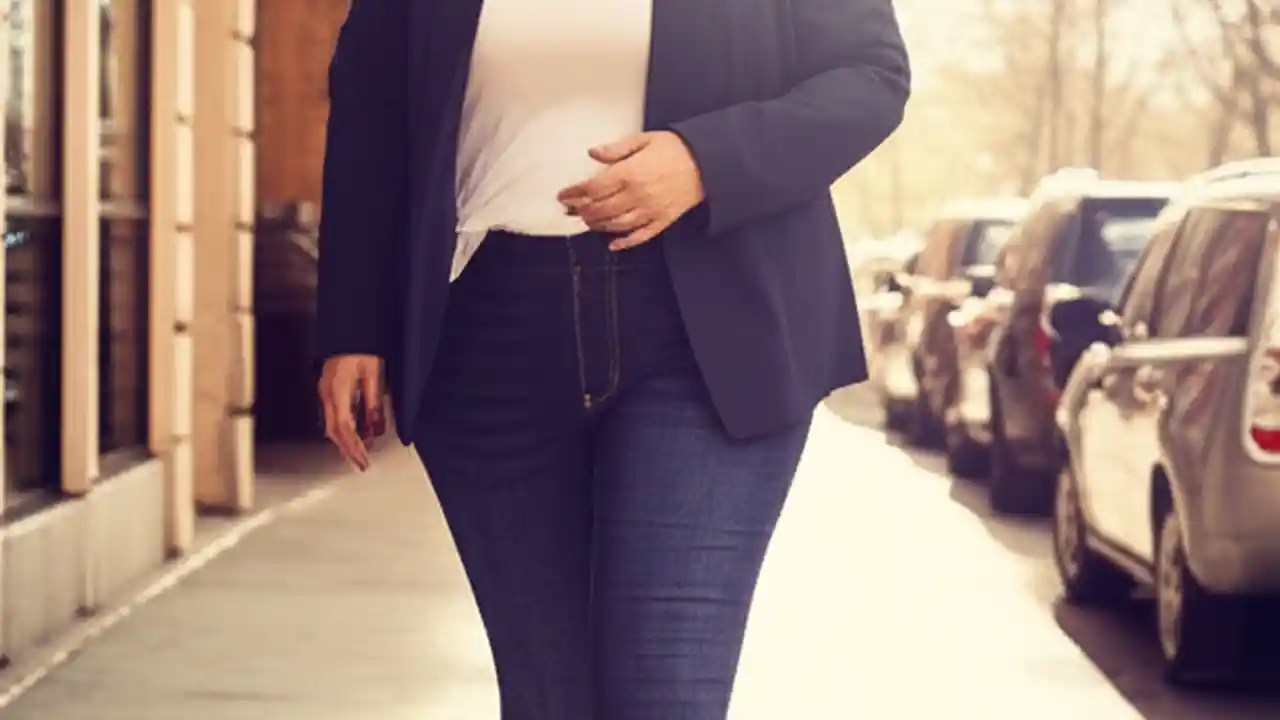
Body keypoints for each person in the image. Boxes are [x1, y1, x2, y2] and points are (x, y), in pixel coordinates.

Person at [314, 1, 909, 718]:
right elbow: (370, 103)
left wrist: (704, 161)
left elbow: (870, 75)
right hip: (488, 338)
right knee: (548, 701)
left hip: (710, 333)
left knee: (666, 695)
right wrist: (354, 320)